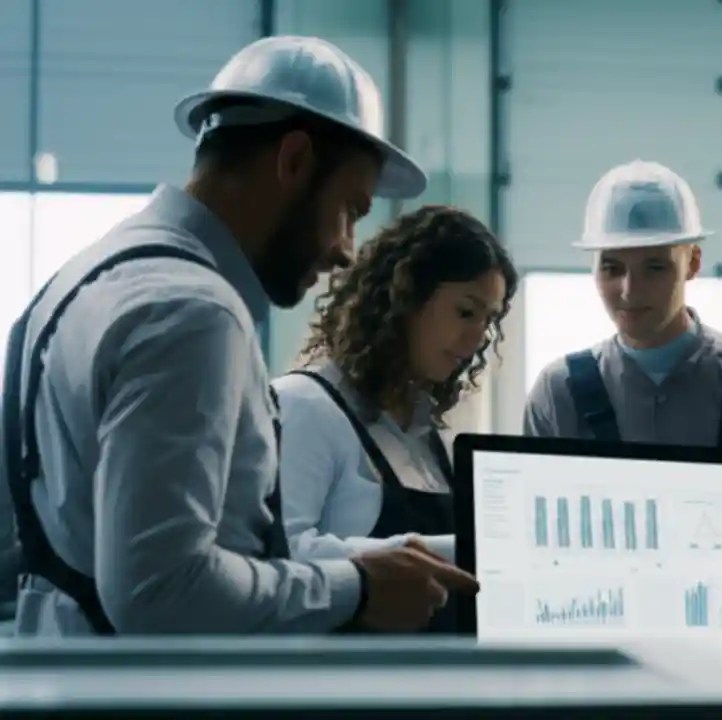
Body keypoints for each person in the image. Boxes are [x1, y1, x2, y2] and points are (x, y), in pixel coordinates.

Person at [0, 35, 478, 636]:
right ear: (295, 161)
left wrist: (361, 564)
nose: (346, 252)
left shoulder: (78, 283)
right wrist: (354, 589)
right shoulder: (192, 313)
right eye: (351, 210)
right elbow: (161, 591)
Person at [523, 159, 722, 562]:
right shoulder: (558, 393)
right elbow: (534, 543)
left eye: (654, 267)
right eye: (612, 268)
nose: (628, 290)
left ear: (692, 262)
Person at [271, 204, 517, 632]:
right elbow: (278, 560)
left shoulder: (429, 438)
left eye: (488, 320)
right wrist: (452, 552)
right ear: (404, 297)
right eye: (465, 311)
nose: (478, 337)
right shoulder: (304, 407)